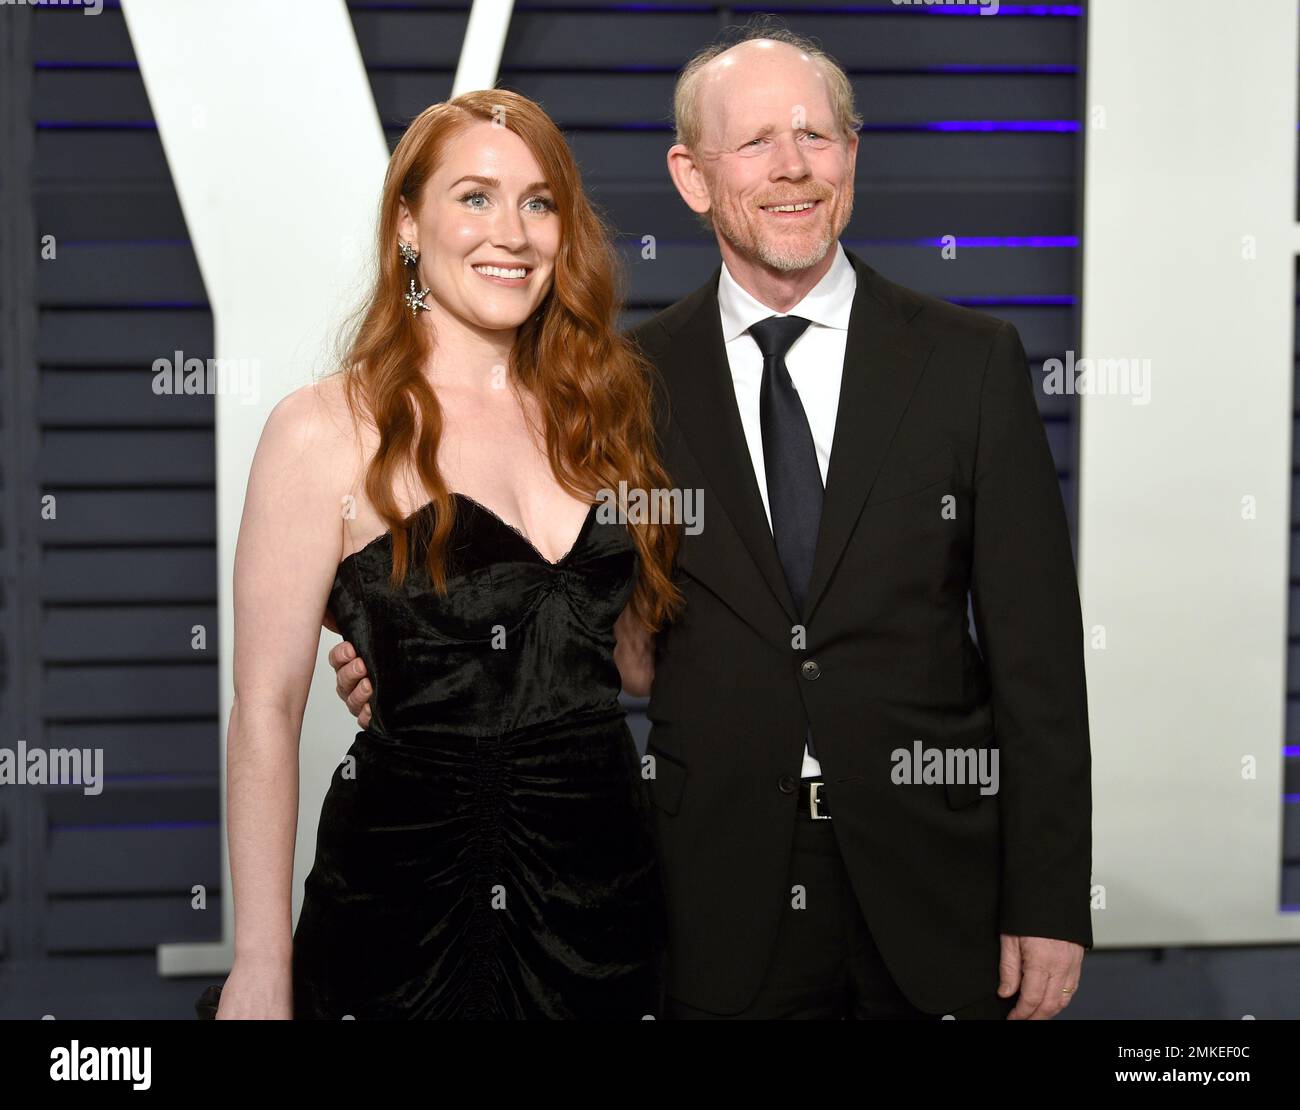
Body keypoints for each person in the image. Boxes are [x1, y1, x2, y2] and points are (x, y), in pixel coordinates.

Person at [333, 21, 1093, 1020]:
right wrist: (423, 660)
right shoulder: (617, 388)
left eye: (816, 137)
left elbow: (1038, 658)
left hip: (936, 885)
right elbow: (586, 619)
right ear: (691, 178)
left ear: (851, 158)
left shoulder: (970, 363)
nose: (793, 169)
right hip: (710, 894)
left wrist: (1048, 900)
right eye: (755, 144)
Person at [212, 89, 681, 1020]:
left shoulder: (607, 418)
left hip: (606, 911)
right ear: (407, 227)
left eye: (540, 202)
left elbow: (632, 663)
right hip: (405, 916)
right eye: (474, 197)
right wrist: (260, 964)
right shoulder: (323, 432)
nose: (512, 231)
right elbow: (264, 710)